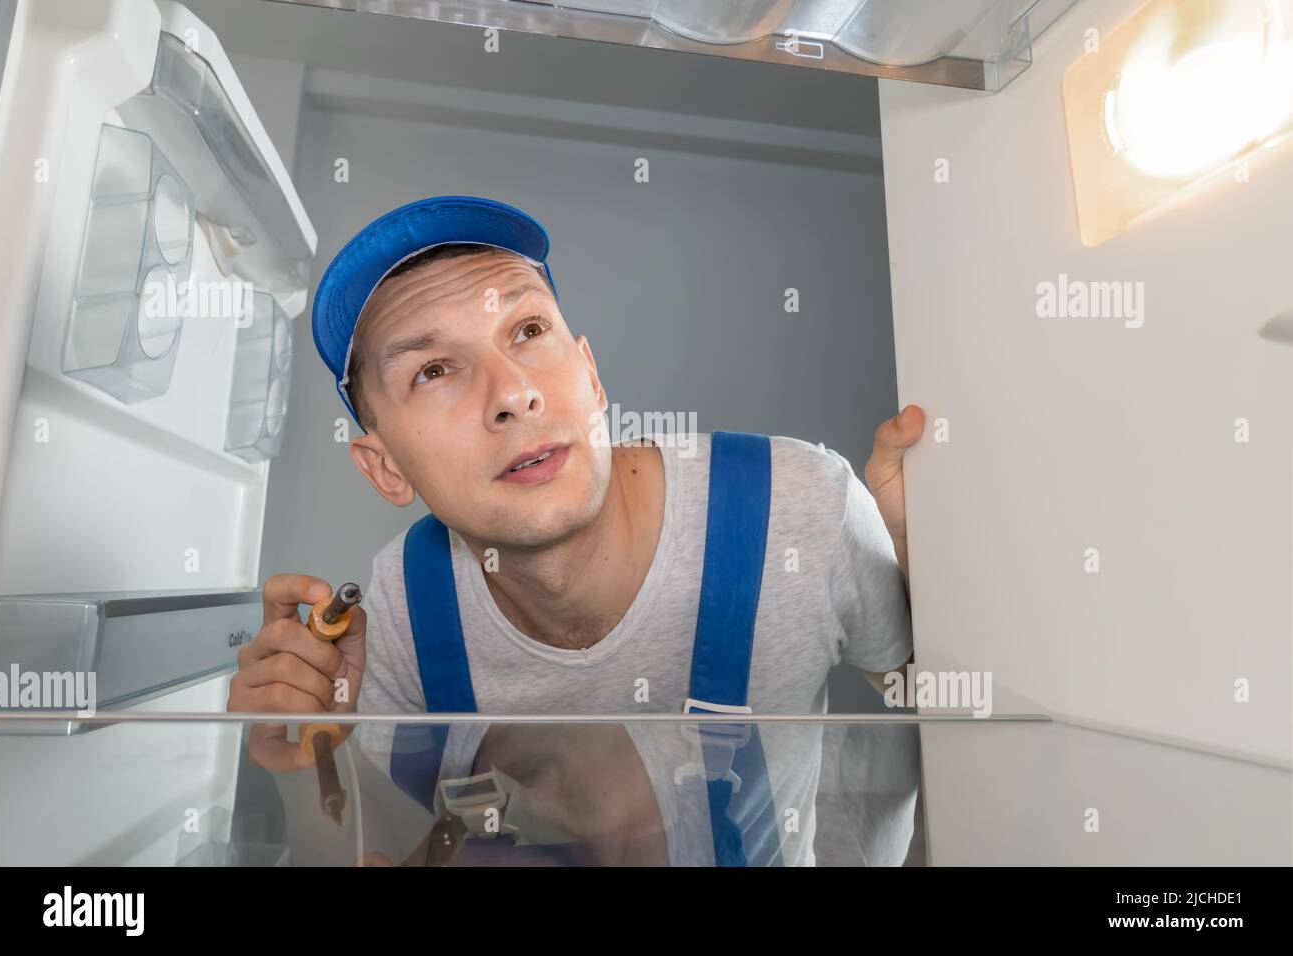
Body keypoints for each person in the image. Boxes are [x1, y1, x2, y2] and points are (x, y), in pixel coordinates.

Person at [228, 195, 926, 866]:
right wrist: (301, 754)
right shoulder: (399, 620)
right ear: (384, 469)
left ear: (591, 377)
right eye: (435, 369)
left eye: (528, 331)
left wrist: (944, 584)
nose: (511, 394)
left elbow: (937, 706)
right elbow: (372, 847)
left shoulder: (797, 508)